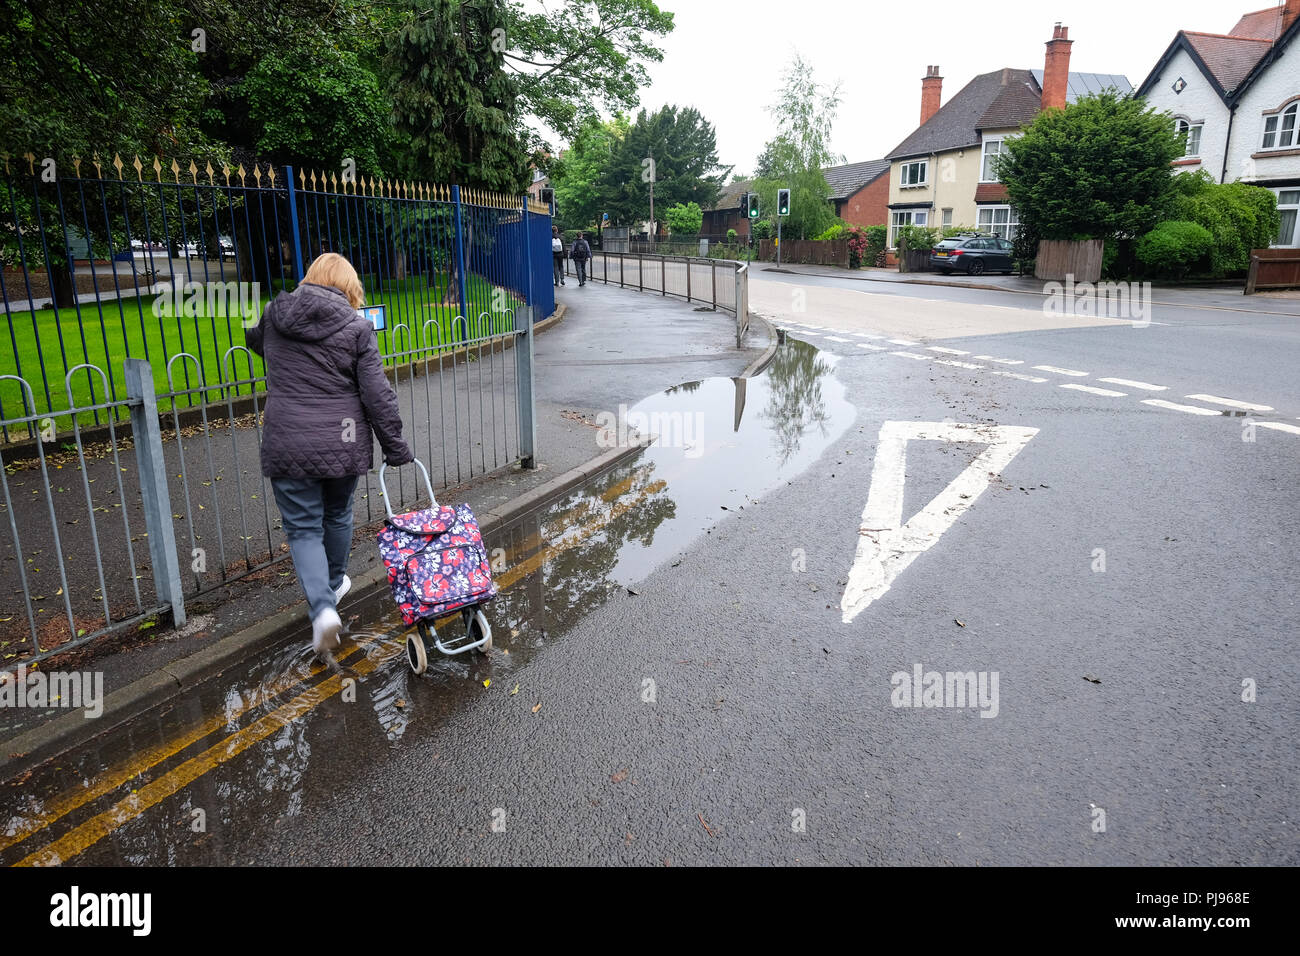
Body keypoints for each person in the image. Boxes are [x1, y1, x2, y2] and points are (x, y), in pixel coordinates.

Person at [247, 253, 413, 655]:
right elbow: (377, 396)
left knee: (303, 528)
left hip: (287, 439)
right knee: (337, 514)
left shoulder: (273, 316)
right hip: (342, 440)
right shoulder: (357, 327)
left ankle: (322, 608)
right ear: (350, 287)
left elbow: (253, 340)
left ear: (310, 278)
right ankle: (334, 584)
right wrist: (395, 447)